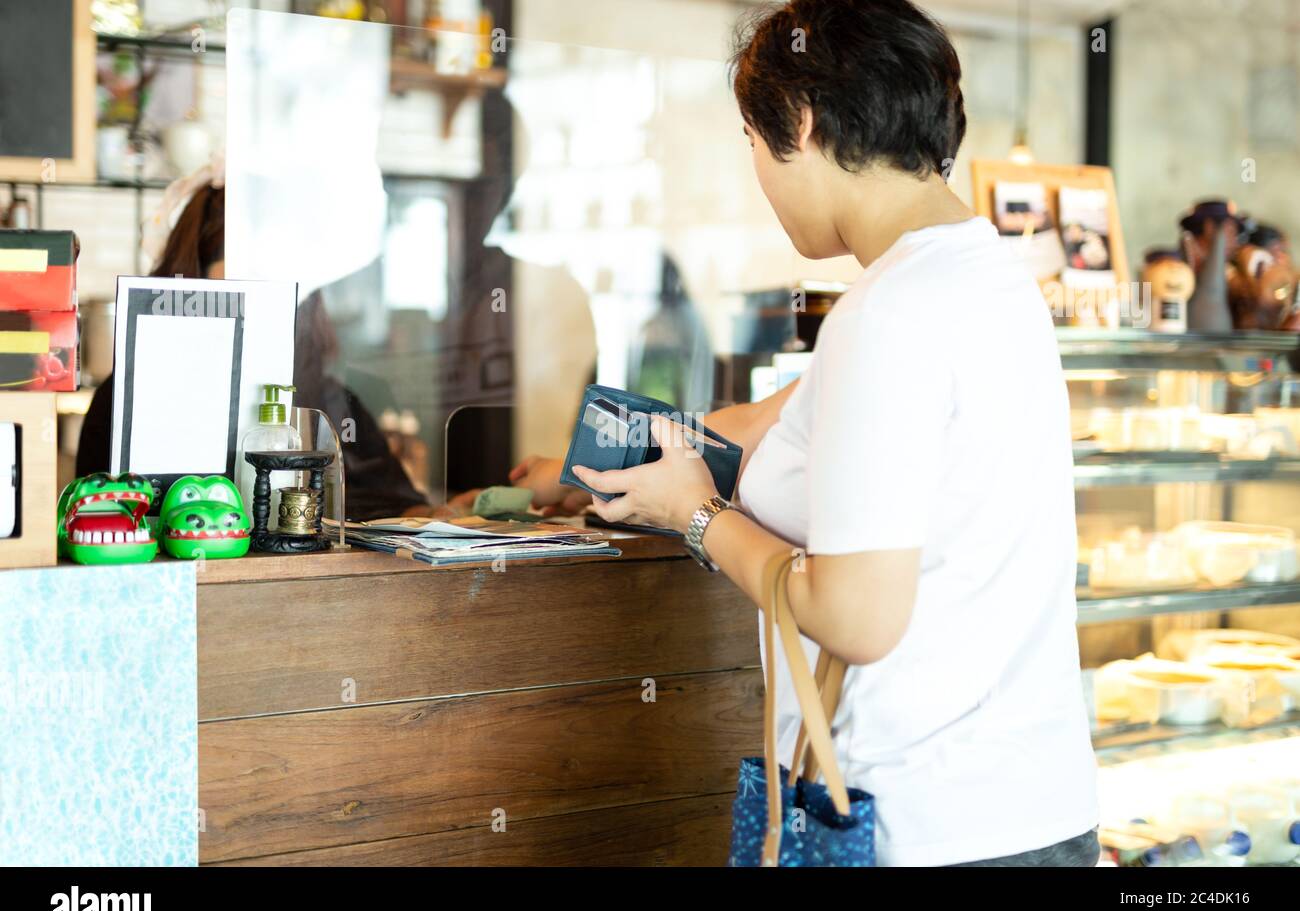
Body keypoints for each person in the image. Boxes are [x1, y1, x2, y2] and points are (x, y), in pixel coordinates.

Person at [511, 0, 1099, 866]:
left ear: (804, 120)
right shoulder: (988, 278)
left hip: (925, 827)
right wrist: (597, 466)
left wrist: (699, 520)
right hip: (1037, 811)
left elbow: (855, 618)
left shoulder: (888, 312)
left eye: (752, 141)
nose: (757, 171)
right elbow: (775, 424)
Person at [75, 179, 429, 520]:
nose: (260, 312)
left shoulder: (328, 403)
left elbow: (398, 509)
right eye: (239, 292)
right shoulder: (124, 402)